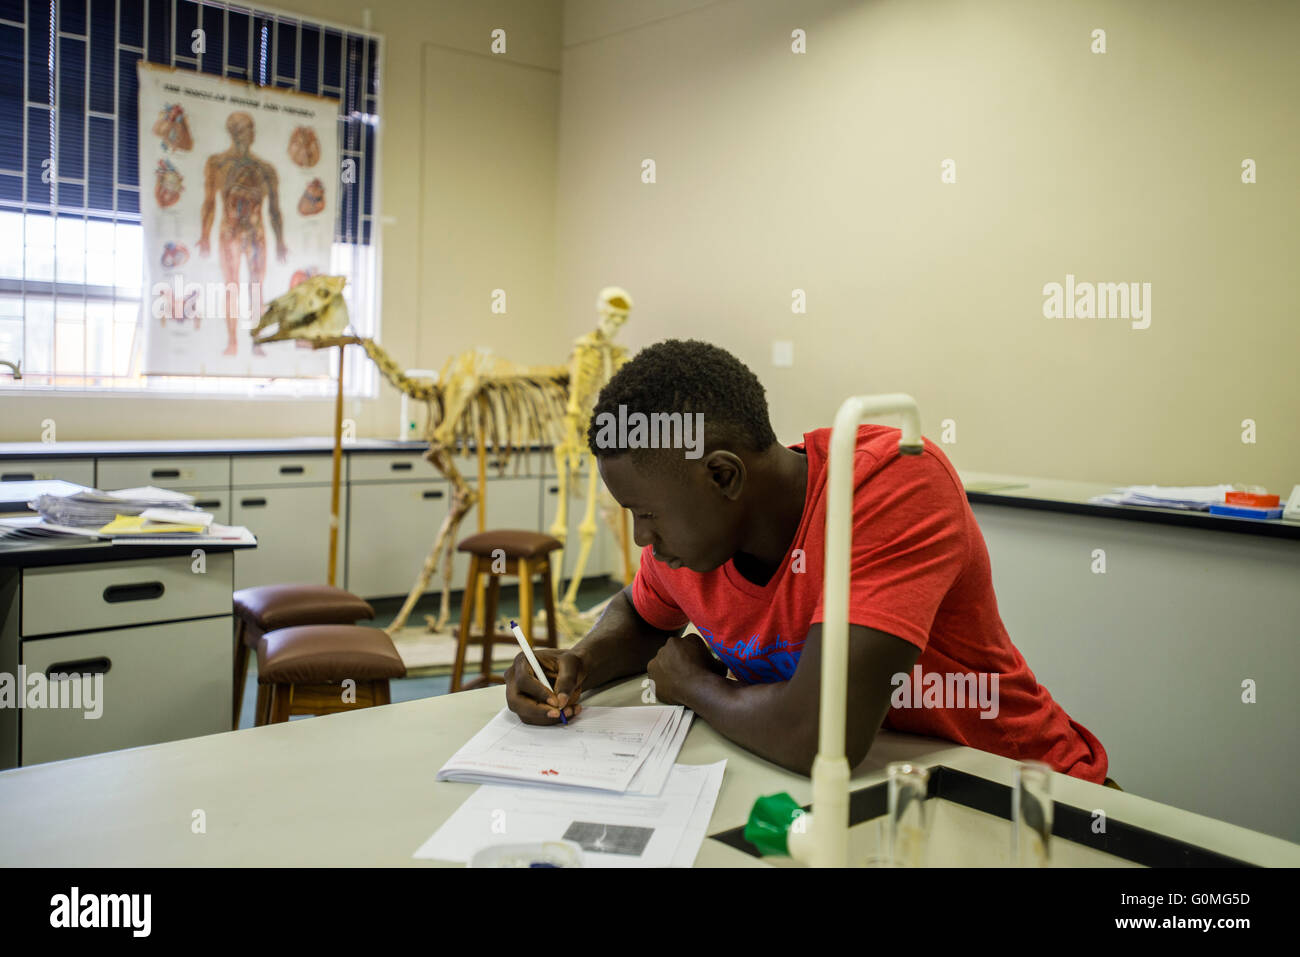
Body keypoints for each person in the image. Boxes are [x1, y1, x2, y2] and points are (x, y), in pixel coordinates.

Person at [505, 338, 1110, 784]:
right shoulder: (693, 539)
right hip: (872, 797)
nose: (642, 539)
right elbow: (641, 616)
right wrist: (577, 661)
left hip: (1023, 794)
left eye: (648, 515)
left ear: (722, 475)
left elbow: (819, 734)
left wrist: (695, 686)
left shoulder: (890, 482)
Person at [197, 111, 288, 356]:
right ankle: (232, 341)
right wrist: (204, 234)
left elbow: (275, 210)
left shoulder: (265, 169)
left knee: (256, 287)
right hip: (231, 231)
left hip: (256, 232)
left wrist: (280, 240)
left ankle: (256, 340)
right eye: (248, 129)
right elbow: (209, 203)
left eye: (252, 128)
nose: (252, 134)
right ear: (236, 133)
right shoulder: (218, 164)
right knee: (231, 286)